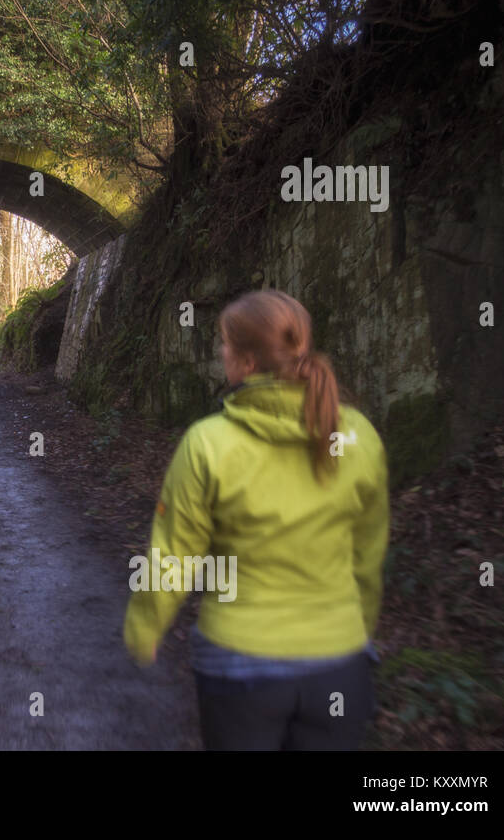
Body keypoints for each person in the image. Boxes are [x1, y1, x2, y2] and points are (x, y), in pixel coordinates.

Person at [123, 289, 390, 750]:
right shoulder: (356, 437)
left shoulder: (208, 443)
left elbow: (175, 554)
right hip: (339, 664)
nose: (220, 352)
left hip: (239, 666)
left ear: (245, 363)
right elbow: (367, 554)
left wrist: (146, 625)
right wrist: (358, 624)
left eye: (225, 344)